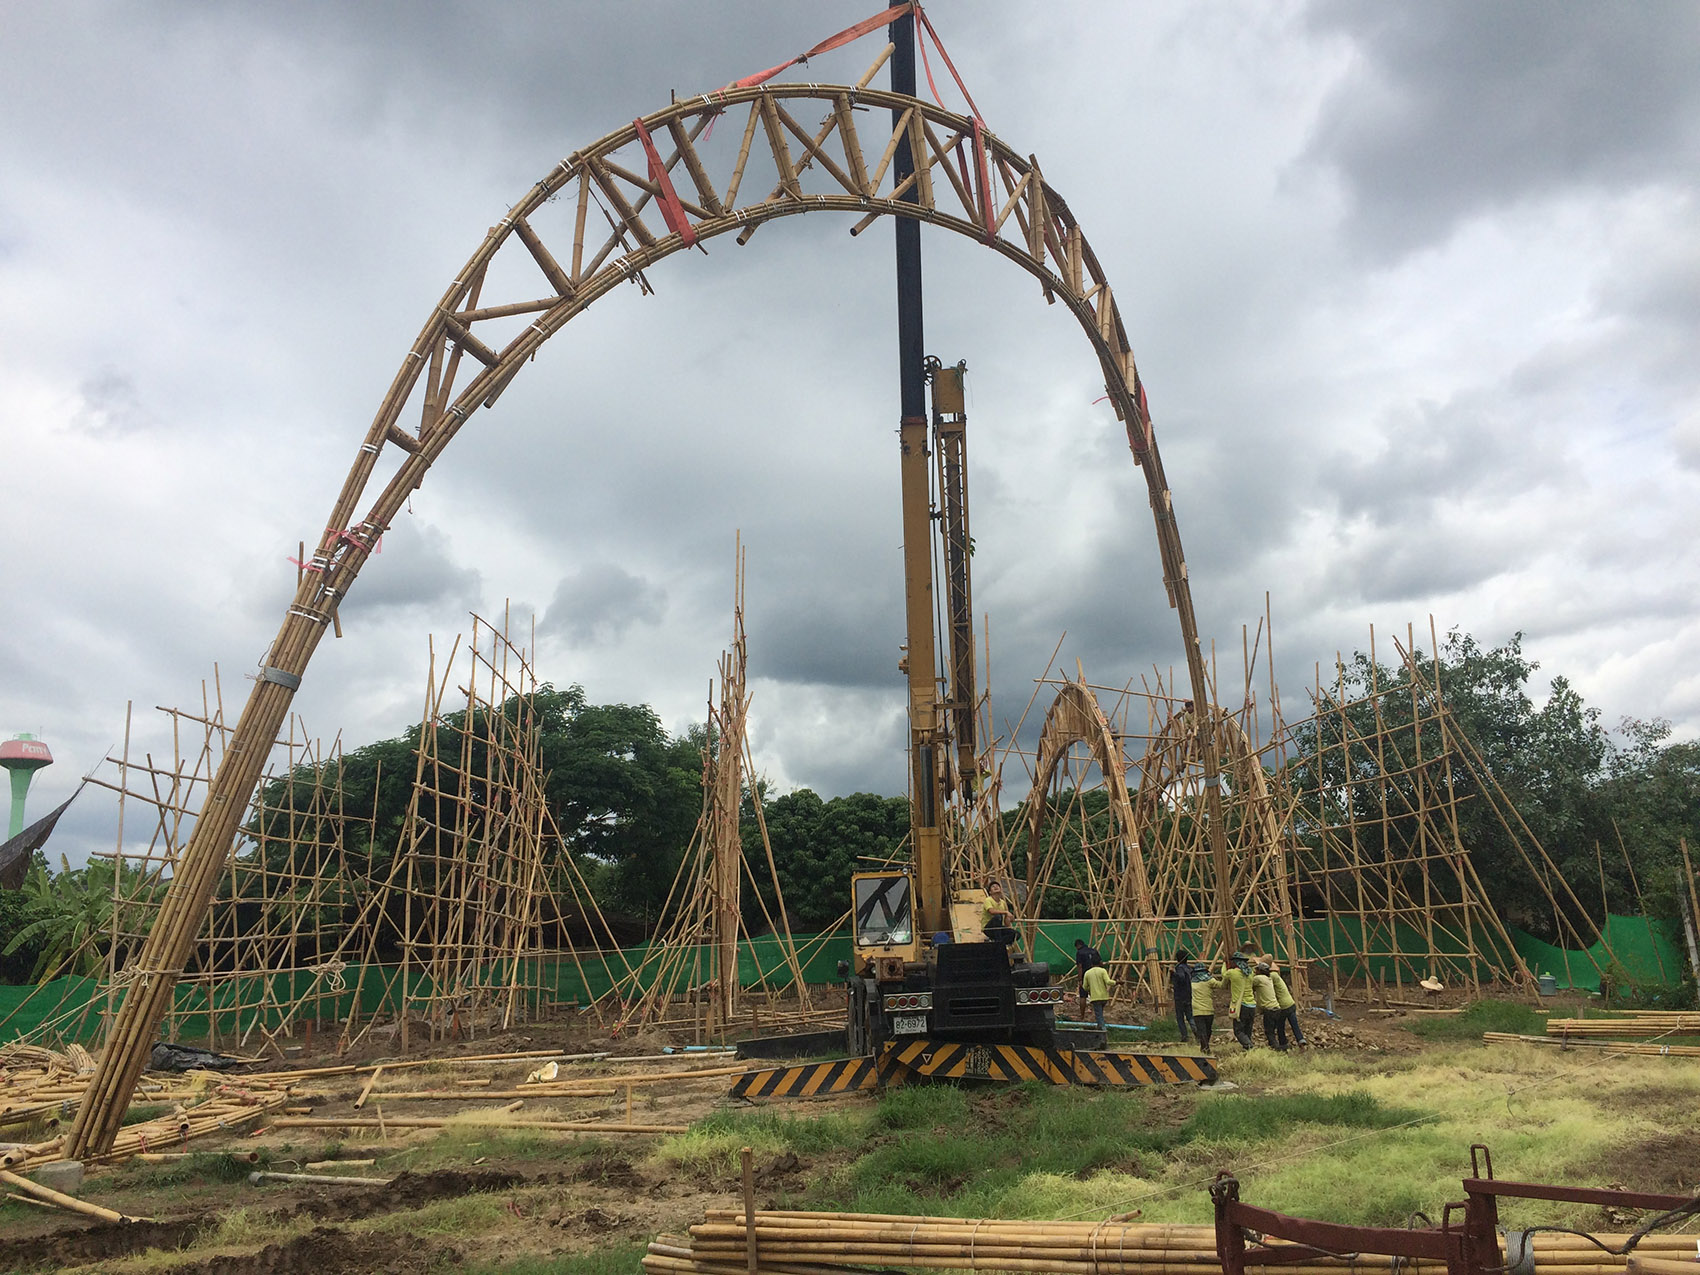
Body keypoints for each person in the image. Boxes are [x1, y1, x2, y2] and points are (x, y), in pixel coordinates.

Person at [1264, 956, 1305, 1046]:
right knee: (1294, 1024)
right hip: (1290, 1003)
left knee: (1280, 1026)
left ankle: (1283, 1043)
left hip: (1283, 1006)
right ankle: (1300, 1039)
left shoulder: (1272, 976)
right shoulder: (1276, 975)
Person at [1222, 953, 1258, 1049]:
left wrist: (1224, 964)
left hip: (1241, 1006)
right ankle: (1248, 1051)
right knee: (1247, 1030)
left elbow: (1223, 975)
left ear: (1236, 962)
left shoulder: (1232, 973)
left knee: (1238, 1030)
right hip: (1252, 1005)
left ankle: (1249, 1046)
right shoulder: (1250, 973)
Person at [1252, 962, 1287, 1050]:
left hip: (1269, 1010)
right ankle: (1281, 1046)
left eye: (1257, 970)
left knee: (1269, 1032)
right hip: (1277, 1008)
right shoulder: (1268, 979)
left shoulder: (1258, 979)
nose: (1255, 971)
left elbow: (1249, 983)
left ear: (1260, 971)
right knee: (1274, 1030)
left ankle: (1276, 1048)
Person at [1190, 962, 1222, 1052]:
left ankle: (1205, 1048)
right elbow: (1221, 985)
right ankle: (1205, 1048)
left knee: (1201, 1031)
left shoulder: (1192, 982)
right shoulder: (1210, 980)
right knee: (1208, 1030)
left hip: (1197, 1011)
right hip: (1209, 1010)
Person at [1082, 961, 1116, 1031]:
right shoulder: (1103, 971)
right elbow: (1108, 982)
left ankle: (1103, 1030)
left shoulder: (1087, 973)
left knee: (1099, 1015)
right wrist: (1116, 982)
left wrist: (1090, 989)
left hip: (1095, 998)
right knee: (1100, 1014)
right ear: (1099, 963)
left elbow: (1085, 987)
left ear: (1091, 963)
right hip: (1104, 997)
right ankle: (1099, 1027)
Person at [1170, 950, 1195, 1042]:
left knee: (1180, 1017)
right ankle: (1198, 1033)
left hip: (1180, 996)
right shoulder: (1189, 969)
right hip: (1189, 995)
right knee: (1190, 1016)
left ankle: (1184, 1036)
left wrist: (1173, 973)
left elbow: (1181, 978)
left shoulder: (1179, 968)